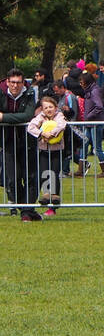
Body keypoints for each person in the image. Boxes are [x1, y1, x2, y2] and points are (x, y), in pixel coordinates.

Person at [1, 68, 40, 221]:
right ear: (7, 82)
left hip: (27, 141)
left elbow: (28, 115)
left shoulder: (30, 93)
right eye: (12, 82)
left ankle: (27, 211)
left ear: (23, 82)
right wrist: (15, 118)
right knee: (12, 179)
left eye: (18, 82)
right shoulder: (1, 92)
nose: (15, 86)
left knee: (30, 177)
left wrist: (3, 116)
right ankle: (27, 210)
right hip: (7, 142)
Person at [26, 94, 67, 216]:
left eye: (51, 107)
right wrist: (42, 133)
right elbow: (31, 127)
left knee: (54, 173)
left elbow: (61, 125)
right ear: (42, 110)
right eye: (46, 108)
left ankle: (54, 202)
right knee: (44, 173)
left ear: (55, 107)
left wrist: (51, 133)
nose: (48, 110)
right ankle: (46, 196)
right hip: (43, 150)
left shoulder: (60, 116)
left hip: (57, 150)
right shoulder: (40, 117)